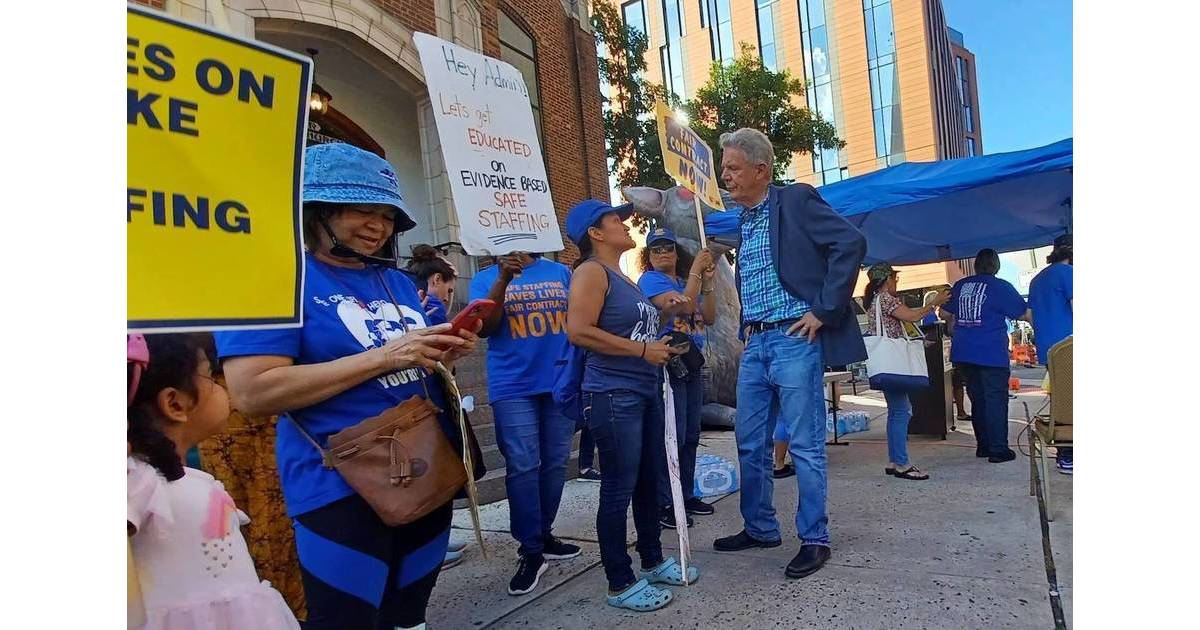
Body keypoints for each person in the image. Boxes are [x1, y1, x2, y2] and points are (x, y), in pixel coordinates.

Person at [214, 143, 479, 630]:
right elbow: (252, 393)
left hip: (424, 465)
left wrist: (440, 354)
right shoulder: (270, 276)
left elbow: (403, 366)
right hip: (335, 484)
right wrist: (387, 356)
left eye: (387, 214)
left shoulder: (395, 282)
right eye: (361, 209)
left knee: (409, 617)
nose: (377, 224)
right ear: (318, 210)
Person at [710, 128, 867, 581]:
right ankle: (759, 528)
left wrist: (824, 309)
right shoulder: (743, 220)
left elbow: (850, 243)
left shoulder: (795, 200)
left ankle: (814, 538)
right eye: (724, 168)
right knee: (749, 441)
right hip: (755, 342)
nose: (726, 175)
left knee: (803, 444)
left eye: (733, 167)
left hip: (795, 338)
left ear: (761, 170)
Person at [565, 198, 697, 612]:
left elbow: (639, 330)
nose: (626, 224)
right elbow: (578, 330)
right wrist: (643, 351)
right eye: (615, 219)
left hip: (642, 391)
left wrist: (659, 346)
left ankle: (653, 560)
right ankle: (619, 581)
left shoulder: (624, 279)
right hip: (612, 394)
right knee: (619, 486)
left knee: (646, 480)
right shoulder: (590, 272)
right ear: (596, 233)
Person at [127, 333, 300, 630]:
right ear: (175, 403)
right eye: (210, 378)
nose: (223, 388)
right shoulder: (138, 480)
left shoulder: (193, 479)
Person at [468, 251, 581, 595]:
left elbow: (579, 320)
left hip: (560, 382)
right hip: (513, 386)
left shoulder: (562, 272)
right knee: (523, 464)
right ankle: (530, 550)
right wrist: (503, 279)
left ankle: (543, 534)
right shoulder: (485, 278)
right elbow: (485, 328)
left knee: (555, 463)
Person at [636, 226, 718, 528]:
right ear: (648, 255)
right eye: (656, 249)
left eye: (667, 247)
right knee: (673, 433)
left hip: (691, 361)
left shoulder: (686, 281)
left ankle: (685, 494)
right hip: (667, 364)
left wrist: (706, 284)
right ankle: (664, 502)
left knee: (692, 434)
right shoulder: (650, 280)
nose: (663, 253)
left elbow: (707, 316)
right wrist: (697, 270)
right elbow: (683, 304)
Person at [862, 263, 950, 480]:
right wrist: (933, 303)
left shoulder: (875, 301)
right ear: (886, 280)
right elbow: (912, 316)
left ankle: (896, 460)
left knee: (896, 412)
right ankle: (901, 463)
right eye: (895, 279)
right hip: (895, 363)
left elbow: (900, 326)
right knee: (902, 412)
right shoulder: (886, 299)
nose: (896, 283)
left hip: (888, 362)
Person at [941, 248, 1028, 464]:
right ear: (996, 266)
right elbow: (1022, 313)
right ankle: (998, 449)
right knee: (996, 400)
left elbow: (943, 313)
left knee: (978, 400)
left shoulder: (961, 285)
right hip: (990, 353)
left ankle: (983, 446)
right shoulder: (1000, 287)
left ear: (976, 265)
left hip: (963, 352)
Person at [1027, 233, 1073, 474]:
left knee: (1061, 399)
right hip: (1070, 347)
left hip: (1049, 349)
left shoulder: (1037, 280)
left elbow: (1031, 317)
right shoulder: (1068, 274)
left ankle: (1065, 455)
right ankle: (1069, 455)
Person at [405, 244, 458, 324]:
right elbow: (445, 317)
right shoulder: (433, 307)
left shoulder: (400, 290)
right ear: (437, 279)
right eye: (448, 291)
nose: (447, 298)